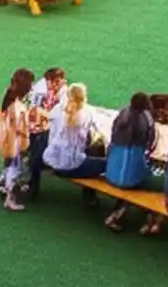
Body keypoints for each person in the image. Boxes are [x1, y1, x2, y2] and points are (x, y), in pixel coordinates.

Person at [103, 92, 156, 233]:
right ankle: (150, 220)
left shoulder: (123, 114)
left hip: (111, 175)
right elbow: (150, 144)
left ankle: (117, 214)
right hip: (129, 180)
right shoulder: (147, 119)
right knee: (154, 182)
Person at [42, 83, 106, 184]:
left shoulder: (57, 109)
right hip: (71, 166)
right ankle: (89, 195)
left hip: (51, 161)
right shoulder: (86, 113)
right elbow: (100, 129)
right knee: (106, 163)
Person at [0, 68, 34, 211]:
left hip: (5, 138)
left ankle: (5, 186)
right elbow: (19, 127)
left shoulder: (8, 95)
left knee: (9, 166)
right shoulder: (17, 106)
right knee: (17, 170)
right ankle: (10, 199)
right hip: (14, 142)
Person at [25, 67, 67, 198]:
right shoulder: (42, 90)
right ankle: (33, 183)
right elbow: (34, 110)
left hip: (51, 129)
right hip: (39, 128)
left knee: (36, 155)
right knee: (36, 153)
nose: (60, 83)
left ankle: (33, 182)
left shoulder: (63, 92)